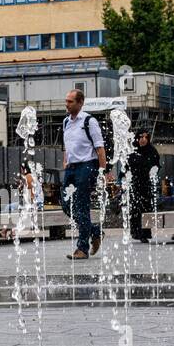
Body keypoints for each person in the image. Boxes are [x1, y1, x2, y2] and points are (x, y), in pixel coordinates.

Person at [60, 88, 110, 259]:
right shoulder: (66, 122)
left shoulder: (89, 121)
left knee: (81, 206)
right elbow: (67, 146)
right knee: (66, 204)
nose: (66, 104)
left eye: (70, 101)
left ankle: (82, 249)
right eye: (66, 101)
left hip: (86, 167)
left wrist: (102, 172)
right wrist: (65, 161)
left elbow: (100, 148)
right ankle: (95, 232)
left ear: (80, 103)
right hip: (71, 168)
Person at [125, 128, 160, 241]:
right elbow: (126, 167)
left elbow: (156, 165)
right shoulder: (132, 151)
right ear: (137, 138)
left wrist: (153, 171)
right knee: (135, 208)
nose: (143, 139)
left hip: (146, 184)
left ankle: (145, 232)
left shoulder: (152, 151)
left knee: (146, 207)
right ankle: (136, 232)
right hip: (134, 184)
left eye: (146, 137)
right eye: (141, 137)